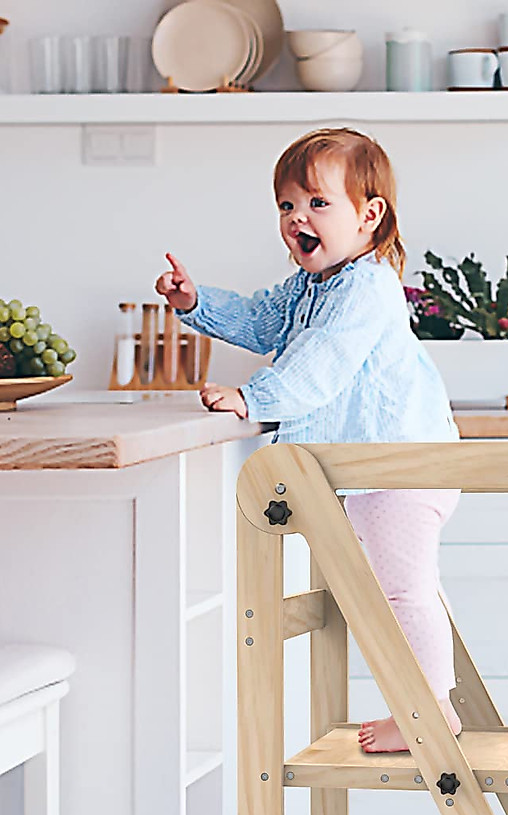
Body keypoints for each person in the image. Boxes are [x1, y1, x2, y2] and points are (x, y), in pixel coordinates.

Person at [155, 126, 460, 754]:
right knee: (400, 588)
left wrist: (252, 399)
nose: (298, 218)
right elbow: (261, 318)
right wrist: (196, 303)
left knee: (403, 591)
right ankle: (427, 701)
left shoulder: (367, 288)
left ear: (369, 216)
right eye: (287, 206)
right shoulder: (310, 286)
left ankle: (429, 713)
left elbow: (321, 364)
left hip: (399, 467)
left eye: (318, 203)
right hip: (373, 471)